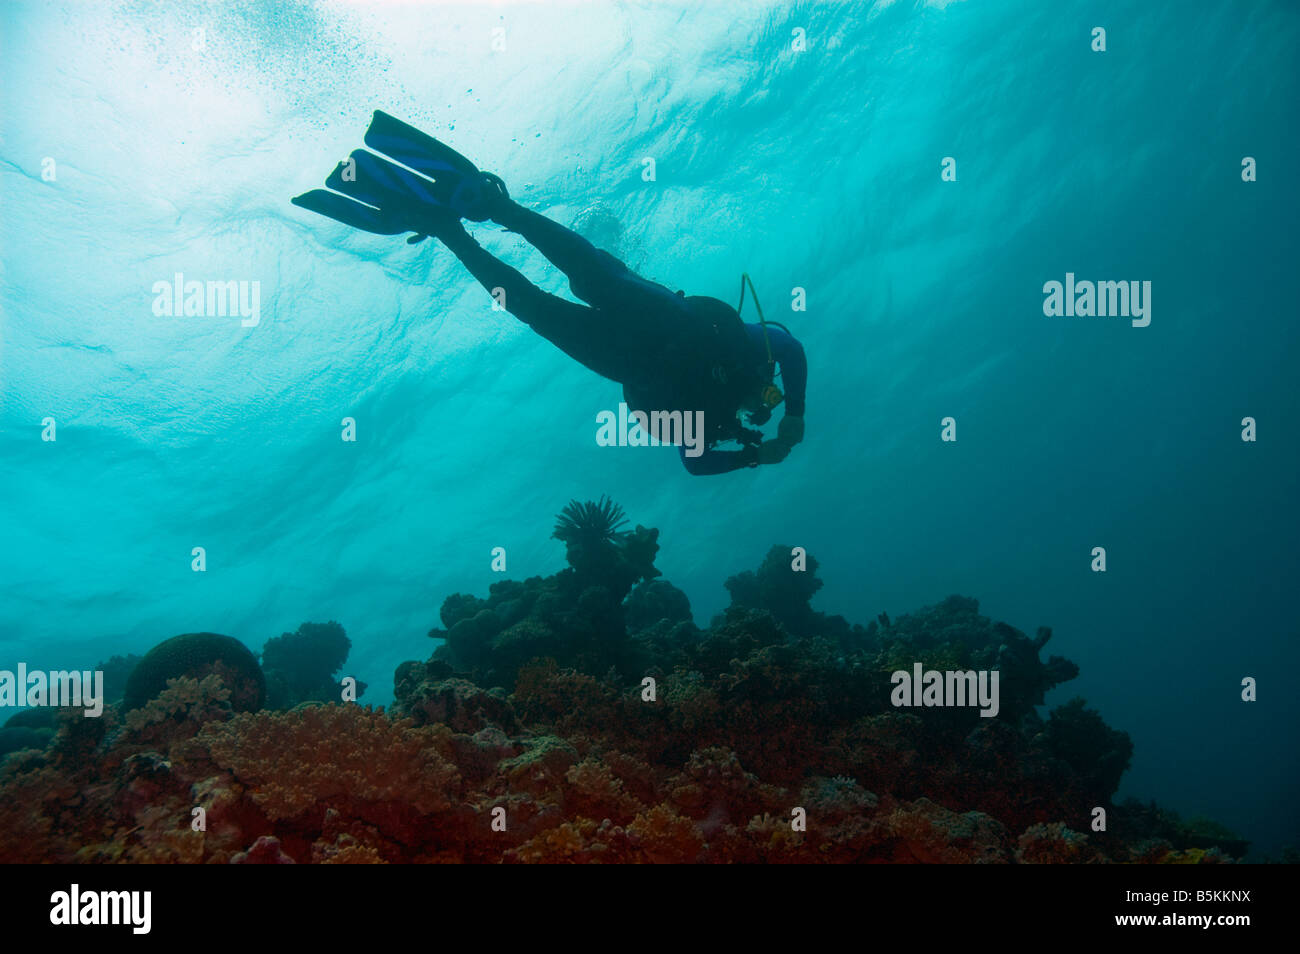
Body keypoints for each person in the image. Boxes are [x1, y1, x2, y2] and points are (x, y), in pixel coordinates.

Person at [293, 112, 806, 475]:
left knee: (533, 307)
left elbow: (696, 466)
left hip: (626, 360)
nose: (762, 398)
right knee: (594, 275)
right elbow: (791, 348)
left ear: (749, 418)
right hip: (667, 322)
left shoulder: (713, 423)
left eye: (763, 405)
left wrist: (754, 456)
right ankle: (495, 208)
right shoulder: (752, 355)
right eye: (771, 394)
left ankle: (449, 230)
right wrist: (796, 416)